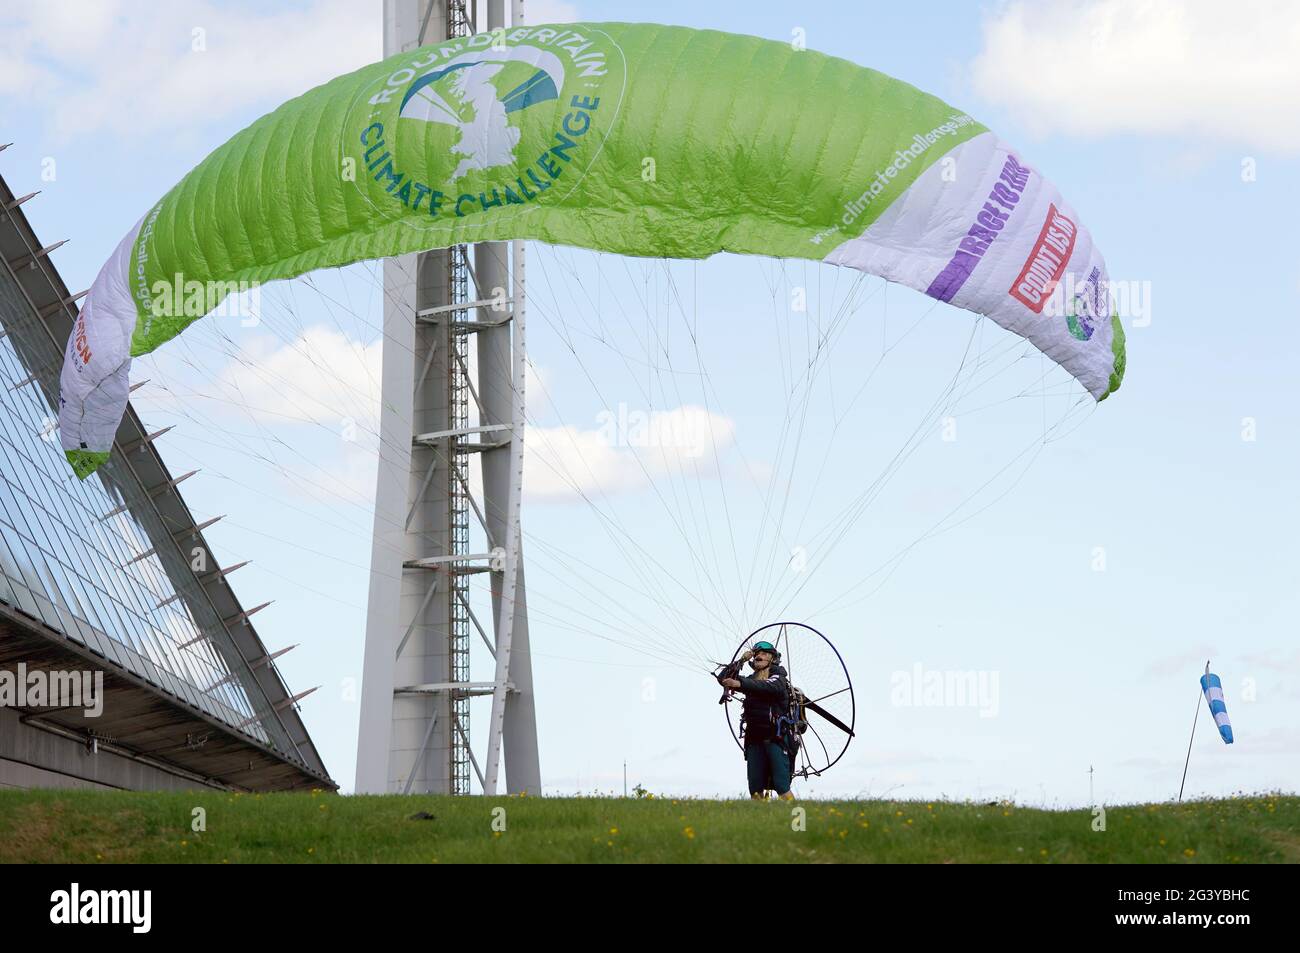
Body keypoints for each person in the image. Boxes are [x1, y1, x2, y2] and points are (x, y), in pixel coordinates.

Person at [719, 640, 795, 800]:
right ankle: (759, 820)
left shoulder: (779, 677)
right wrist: (741, 660)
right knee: (755, 789)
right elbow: (723, 678)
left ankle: (795, 817)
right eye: (756, 654)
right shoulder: (750, 680)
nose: (759, 656)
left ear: (773, 659)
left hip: (776, 738)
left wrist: (740, 683)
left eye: (764, 653)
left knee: (782, 786)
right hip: (754, 739)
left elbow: (768, 686)